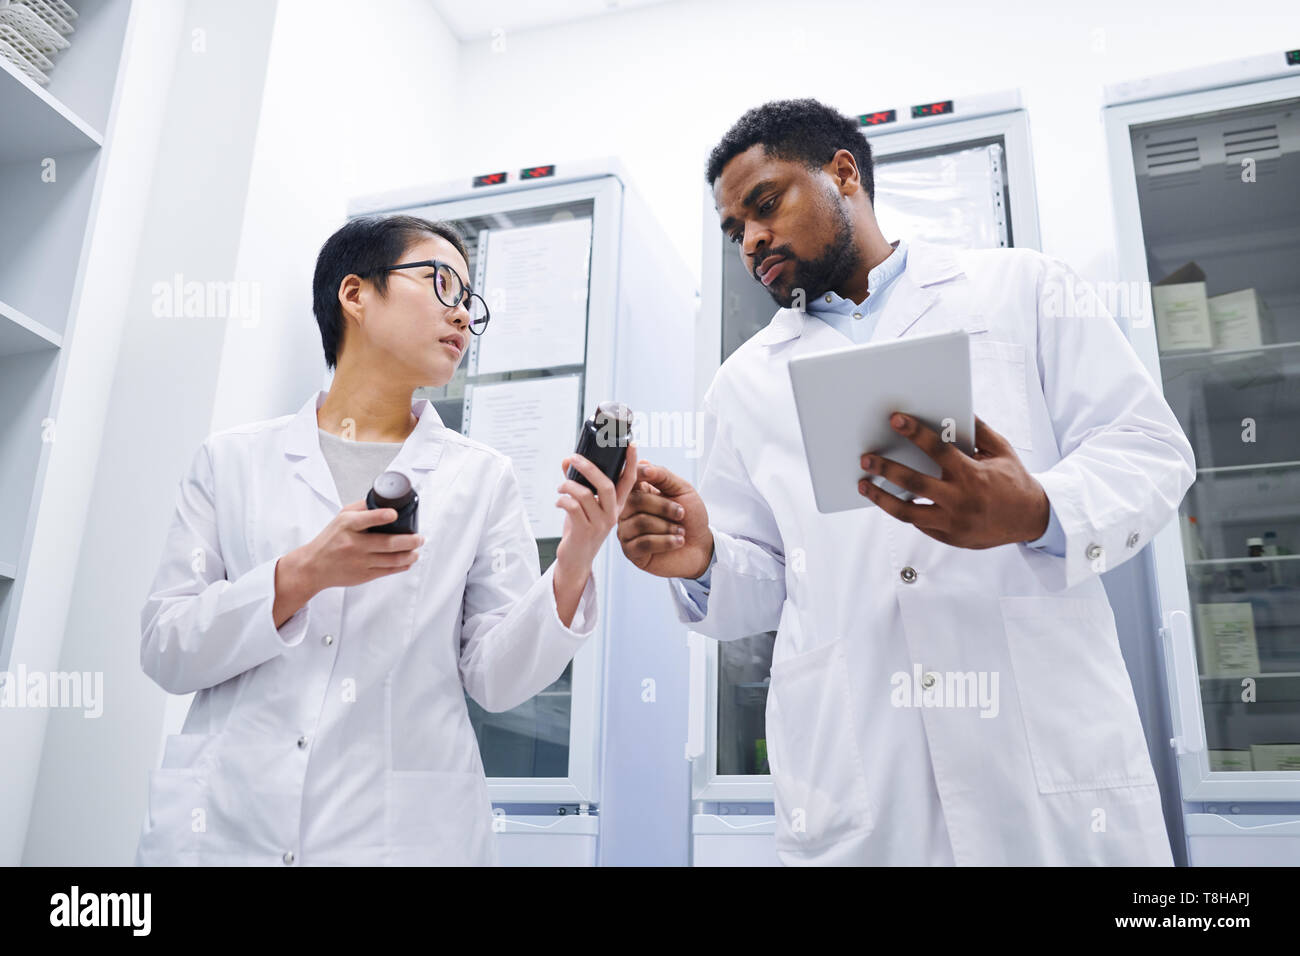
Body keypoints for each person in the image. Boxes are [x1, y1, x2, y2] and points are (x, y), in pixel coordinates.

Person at [617, 99, 1194, 865]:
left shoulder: (1019, 290)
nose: (752, 240)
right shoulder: (741, 387)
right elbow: (767, 582)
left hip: (1039, 760)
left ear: (844, 174)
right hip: (863, 783)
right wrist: (704, 559)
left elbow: (1150, 449)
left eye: (766, 205)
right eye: (736, 231)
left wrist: (1037, 510)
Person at [135, 214, 635, 865]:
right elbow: (167, 648)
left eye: (470, 303)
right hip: (226, 827)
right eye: (442, 284)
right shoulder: (230, 462)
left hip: (397, 838)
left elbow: (497, 679)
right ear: (355, 295)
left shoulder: (480, 478)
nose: (463, 318)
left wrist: (573, 561)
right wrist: (301, 575)